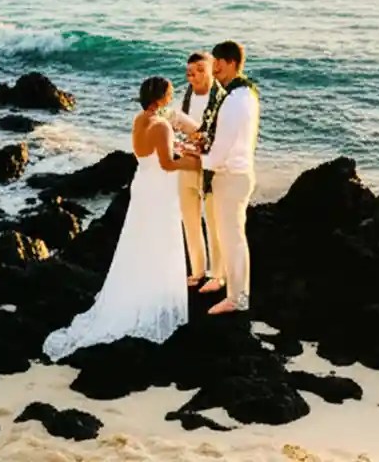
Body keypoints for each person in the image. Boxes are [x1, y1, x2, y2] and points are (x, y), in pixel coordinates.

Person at [42, 76, 201, 361]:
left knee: (140, 242)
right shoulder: (161, 125)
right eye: (170, 94)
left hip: (143, 184)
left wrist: (179, 148)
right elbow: (167, 164)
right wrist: (197, 161)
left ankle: (139, 290)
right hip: (158, 190)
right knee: (161, 241)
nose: (172, 97)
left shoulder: (140, 119)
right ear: (160, 98)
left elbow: (150, 153)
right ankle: (156, 298)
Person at [189, 40, 260, 315]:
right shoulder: (247, 95)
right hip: (239, 174)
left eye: (218, 61)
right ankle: (231, 287)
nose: (213, 67)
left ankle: (237, 297)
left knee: (233, 238)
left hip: (230, 177)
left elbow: (220, 153)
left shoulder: (233, 101)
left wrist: (197, 157)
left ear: (231, 63)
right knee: (232, 236)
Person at [169, 52, 227, 288]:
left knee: (214, 222)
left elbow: (225, 137)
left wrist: (202, 144)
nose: (195, 76)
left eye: (201, 70)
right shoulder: (187, 95)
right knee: (190, 220)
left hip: (212, 167)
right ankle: (197, 271)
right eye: (191, 71)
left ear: (213, 69)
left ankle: (218, 274)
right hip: (187, 163)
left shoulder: (223, 99)